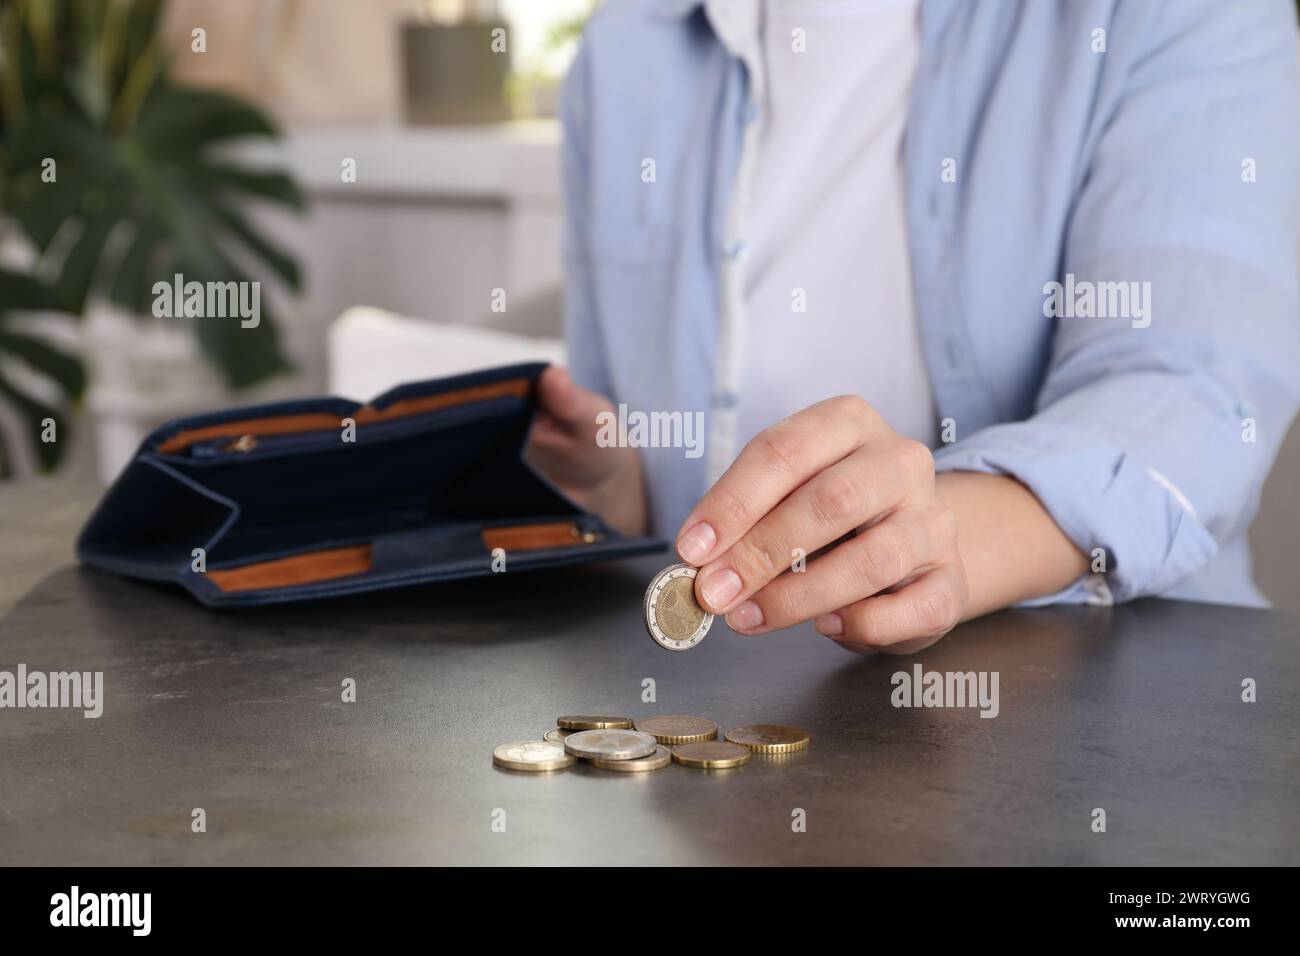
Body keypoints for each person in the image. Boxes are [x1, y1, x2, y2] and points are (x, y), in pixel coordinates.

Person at [526, 0, 1300, 654]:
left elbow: (1192, 395)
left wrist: (940, 535)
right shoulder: (628, 38)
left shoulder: (1169, 14)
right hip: (707, 725)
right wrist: (616, 484)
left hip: (1117, 704)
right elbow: (649, 484)